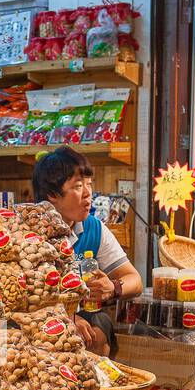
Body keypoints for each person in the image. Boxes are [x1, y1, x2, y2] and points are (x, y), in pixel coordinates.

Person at [32, 146, 143, 356]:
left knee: (97, 328)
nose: (88, 193)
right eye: (78, 185)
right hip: (35, 320)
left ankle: (98, 386)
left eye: (89, 185)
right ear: (52, 194)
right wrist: (65, 318)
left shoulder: (93, 228)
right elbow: (21, 299)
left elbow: (134, 280)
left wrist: (113, 287)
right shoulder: (28, 232)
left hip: (84, 318)